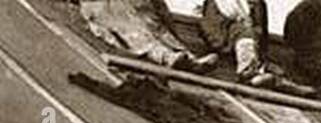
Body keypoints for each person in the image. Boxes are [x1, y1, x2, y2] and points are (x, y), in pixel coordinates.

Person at [79, 0, 219, 72]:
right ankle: (165, 57)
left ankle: (189, 58)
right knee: (131, 29)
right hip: (104, 6)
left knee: (153, 23)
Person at [199, 0, 273, 86]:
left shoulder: (257, 4)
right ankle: (247, 71)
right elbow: (213, 34)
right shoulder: (216, 3)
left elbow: (262, 36)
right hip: (228, 43)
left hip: (254, 49)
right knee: (245, 35)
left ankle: (255, 72)